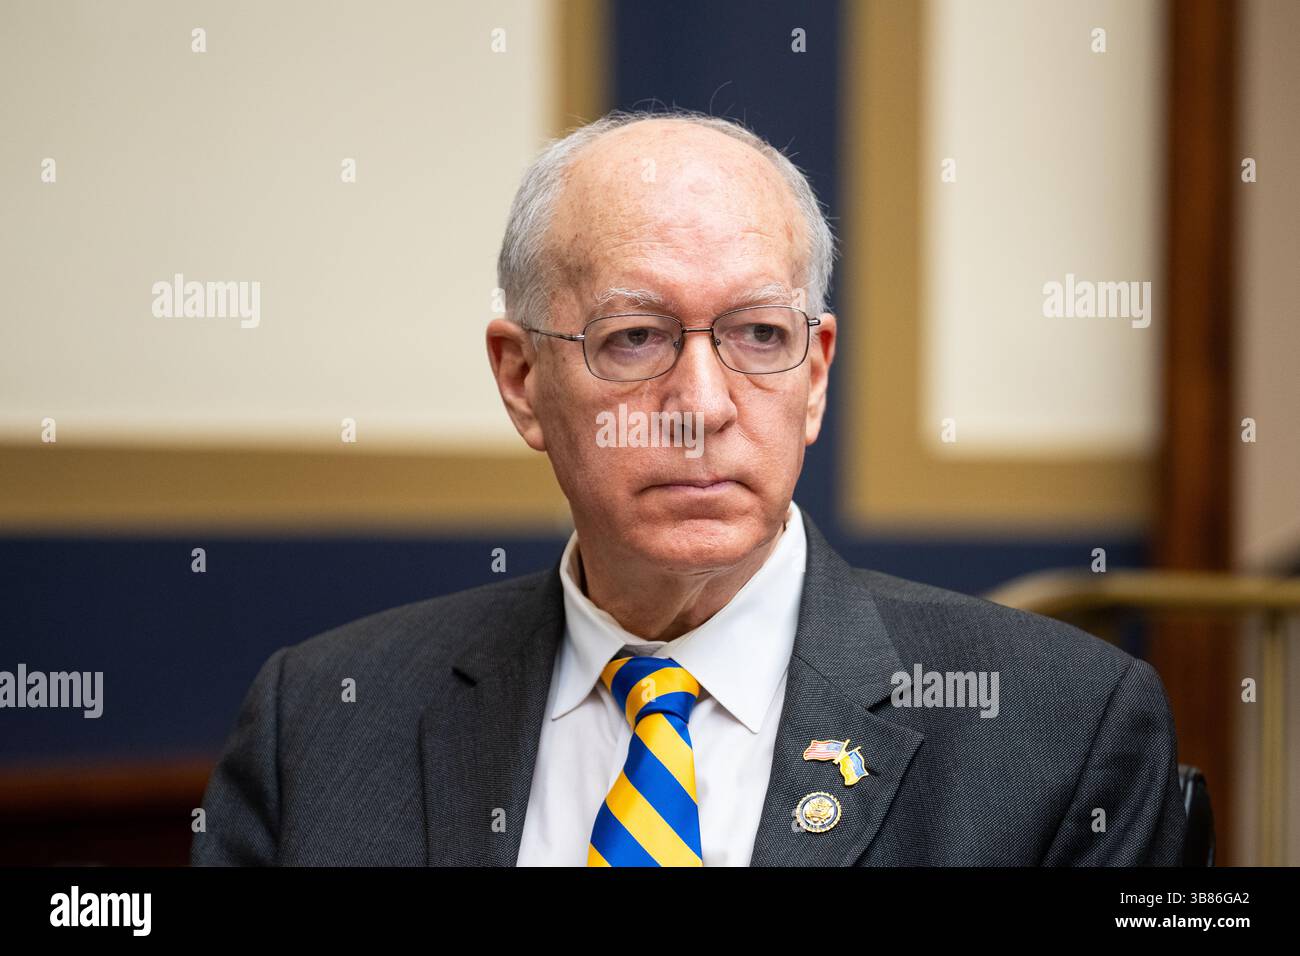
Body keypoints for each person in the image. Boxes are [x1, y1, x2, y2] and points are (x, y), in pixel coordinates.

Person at [192, 110, 1187, 866]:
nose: (701, 404)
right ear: (521, 378)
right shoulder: (321, 721)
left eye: (759, 335)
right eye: (634, 337)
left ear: (816, 374)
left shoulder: (1062, 729)